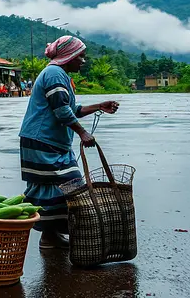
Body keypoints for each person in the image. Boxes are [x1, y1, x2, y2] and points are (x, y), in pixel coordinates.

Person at [19, 36, 120, 249]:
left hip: (49, 142)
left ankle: (50, 236)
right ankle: (50, 235)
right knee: (69, 185)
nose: (83, 61)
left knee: (50, 189)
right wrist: (83, 133)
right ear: (69, 56)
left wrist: (99, 105)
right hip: (43, 141)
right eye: (81, 56)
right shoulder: (55, 74)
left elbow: (71, 109)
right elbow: (62, 110)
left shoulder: (60, 75)